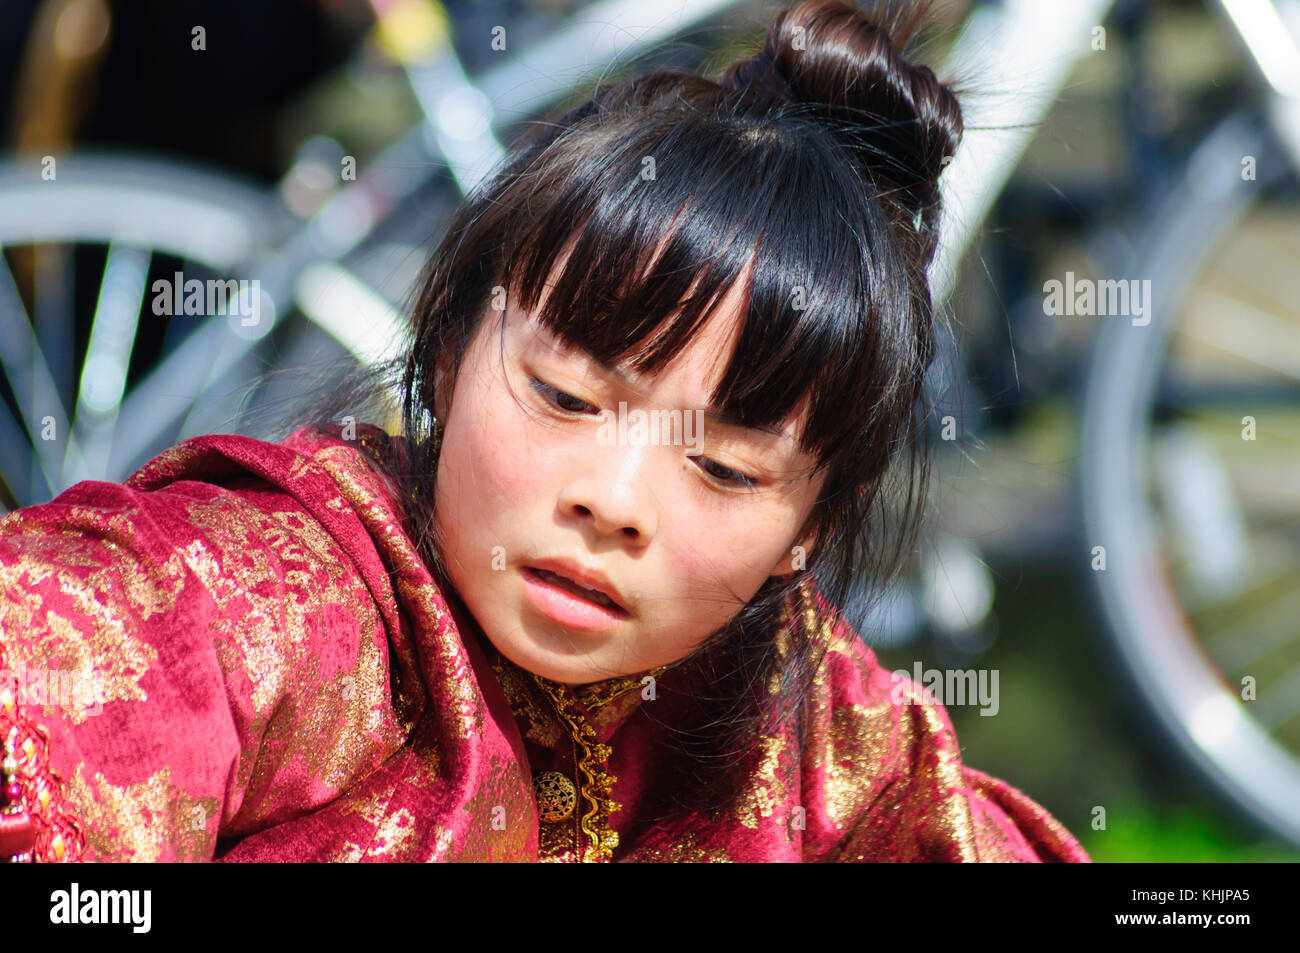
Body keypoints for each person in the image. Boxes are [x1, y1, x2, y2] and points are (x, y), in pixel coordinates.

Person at [0, 0, 1090, 862]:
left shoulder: (815, 734)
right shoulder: (290, 600)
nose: (610, 501)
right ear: (451, 350)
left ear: (810, 526)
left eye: (720, 466)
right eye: (566, 398)